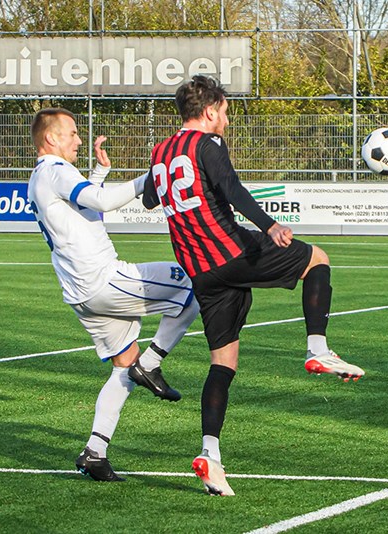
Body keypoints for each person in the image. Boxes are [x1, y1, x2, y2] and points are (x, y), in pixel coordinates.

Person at [141, 75, 364, 497]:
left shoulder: (161, 150)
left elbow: (151, 199)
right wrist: (269, 224)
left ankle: (211, 456)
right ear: (209, 111)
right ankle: (318, 350)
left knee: (223, 362)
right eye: (224, 111)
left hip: (201, 272)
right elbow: (231, 189)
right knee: (317, 259)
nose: (227, 118)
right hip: (230, 252)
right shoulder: (209, 145)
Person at [28, 108, 200, 482]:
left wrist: (100, 174)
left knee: (123, 366)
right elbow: (103, 204)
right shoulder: (55, 170)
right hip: (104, 279)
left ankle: (95, 452)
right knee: (195, 282)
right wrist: (150, 177)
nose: (78, 140)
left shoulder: (43, 176)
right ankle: (152, 363)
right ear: (52, 139)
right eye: (72, 134)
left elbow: (83, 208)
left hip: (80, 293)